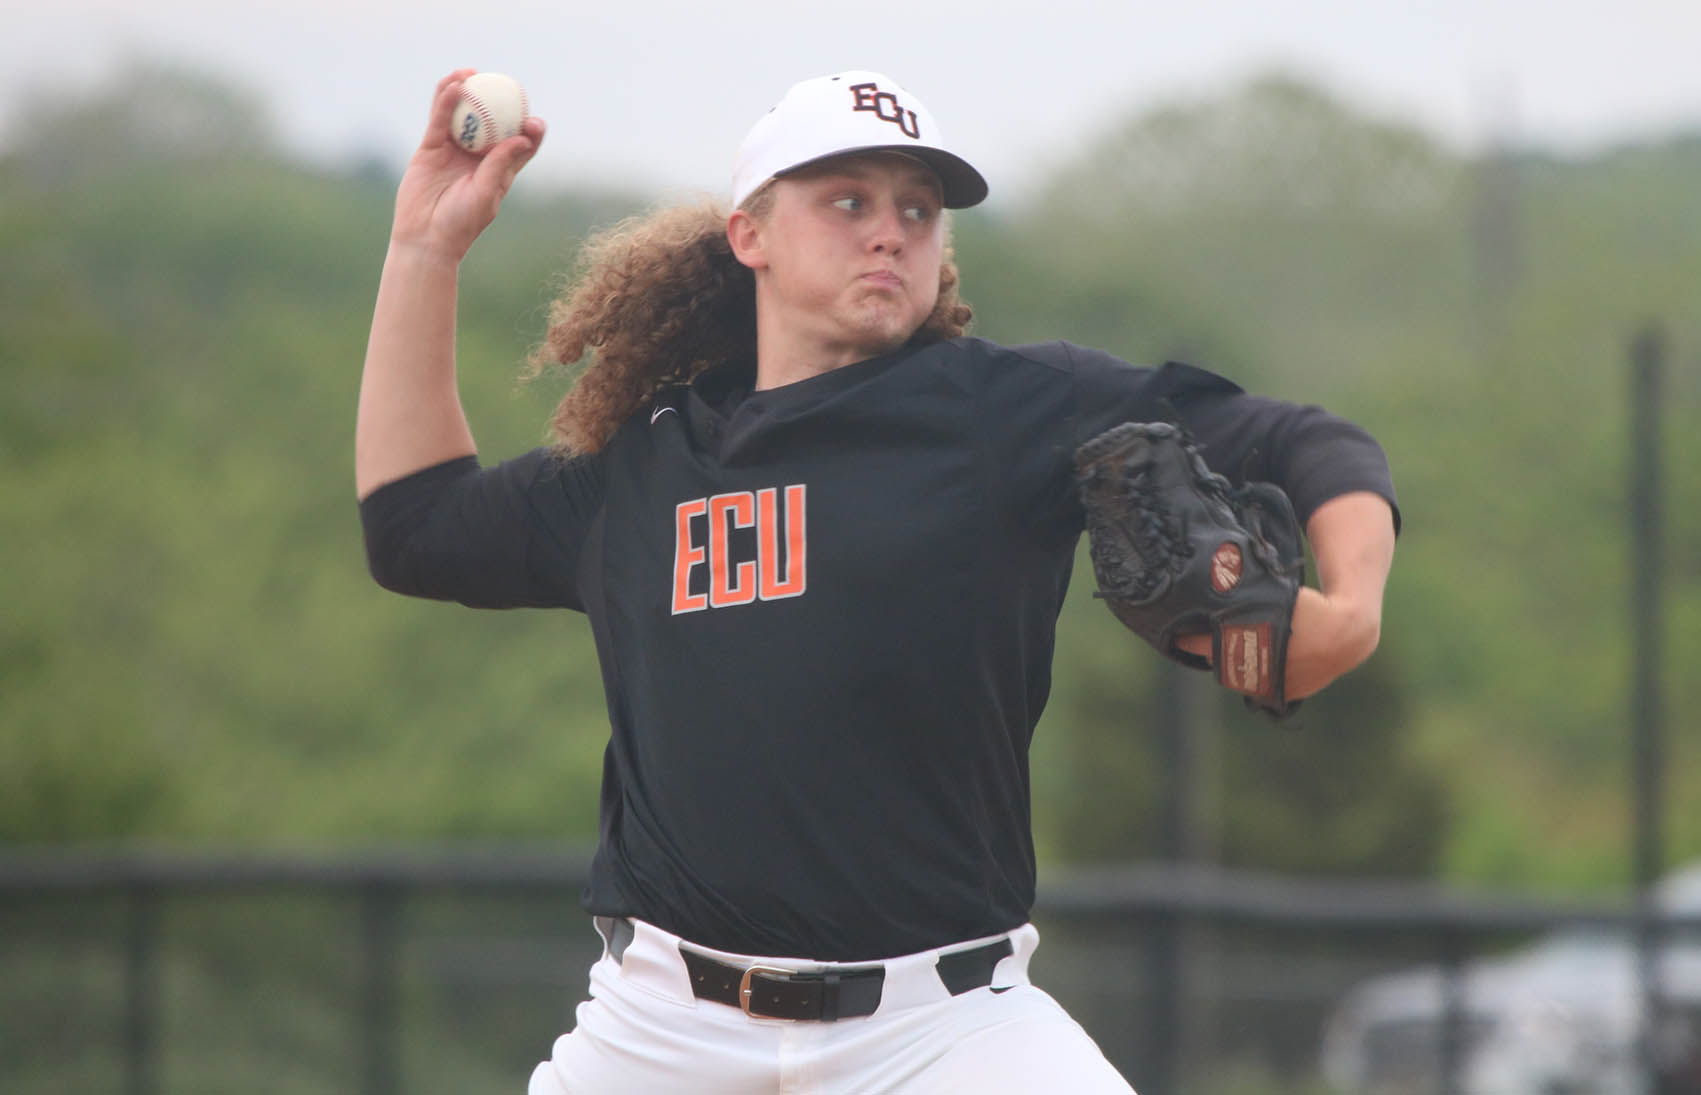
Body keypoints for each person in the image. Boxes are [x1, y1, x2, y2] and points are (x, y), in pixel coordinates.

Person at [357, 67, 1399, 1094]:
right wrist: (423, 249)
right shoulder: (646, 465)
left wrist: (1349, 606)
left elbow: (1302, 440)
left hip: (944, 1034)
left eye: (917, 206)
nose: (889, 229)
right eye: (846, 199)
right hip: (660, 1033)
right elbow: (415, 526)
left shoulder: (1007, 412)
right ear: (748, 235)